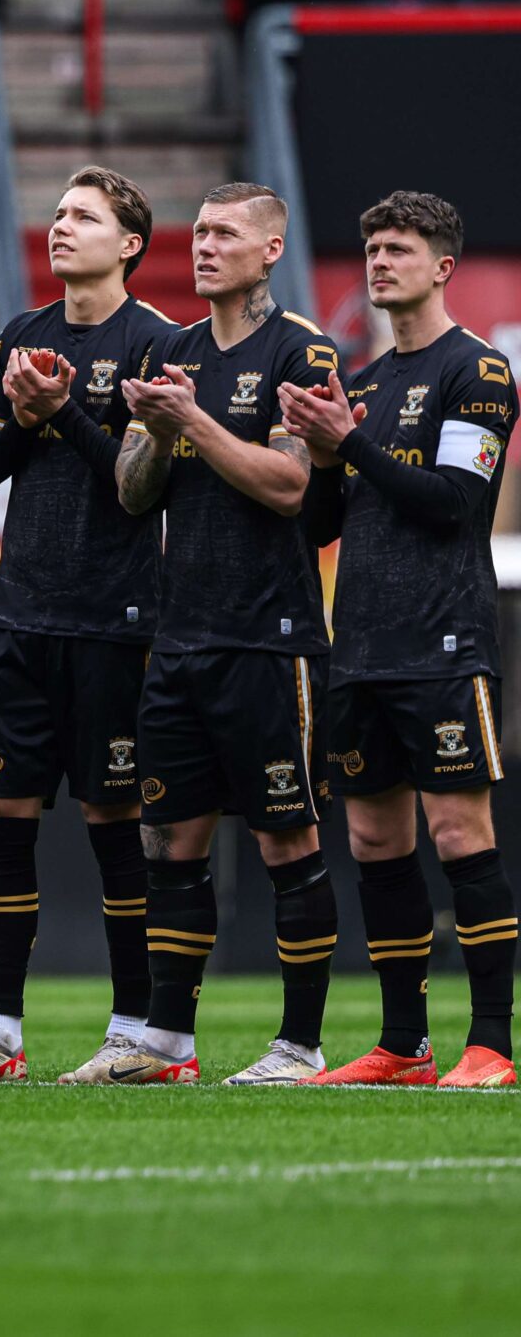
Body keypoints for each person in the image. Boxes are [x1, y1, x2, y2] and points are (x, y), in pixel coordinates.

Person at [86, 185, 341, 1086]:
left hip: (268, 638)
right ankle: (166, 1041)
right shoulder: (175, 349)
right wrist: (155, 432)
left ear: (270, 248)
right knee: (170, 843)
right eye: (197, 232)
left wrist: (190, 419)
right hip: (180, 635)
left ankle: (300, 1044)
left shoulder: (299, 349)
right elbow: (131, 489)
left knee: (286, 841)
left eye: (225, 233)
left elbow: (289, 484)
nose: (203, 246)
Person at [0, 168, 178, 1084]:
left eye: (85, 216)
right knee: (0, 818)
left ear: (128, 243)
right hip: (18, 612)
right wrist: (28, 412)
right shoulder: (25, 334)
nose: (61, 227)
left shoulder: (158, 344)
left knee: (114, 820)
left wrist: (63, 412)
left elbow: (137, 486)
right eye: (59, 213)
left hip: (114, 619)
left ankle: (132, 1028)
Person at [284, 195, 516, 1090]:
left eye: (399, 248)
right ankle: (403, 1044)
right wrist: (325, 453)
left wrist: (353, 443)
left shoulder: (479, 371)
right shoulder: (368, 383)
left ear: (443, 265)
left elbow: (454, 504)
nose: (379, 261)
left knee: (461, 834)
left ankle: (491, 1041)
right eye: (372, 247)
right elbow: (321, 523)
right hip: (362, 647)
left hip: (443, 642)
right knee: (377, 845)